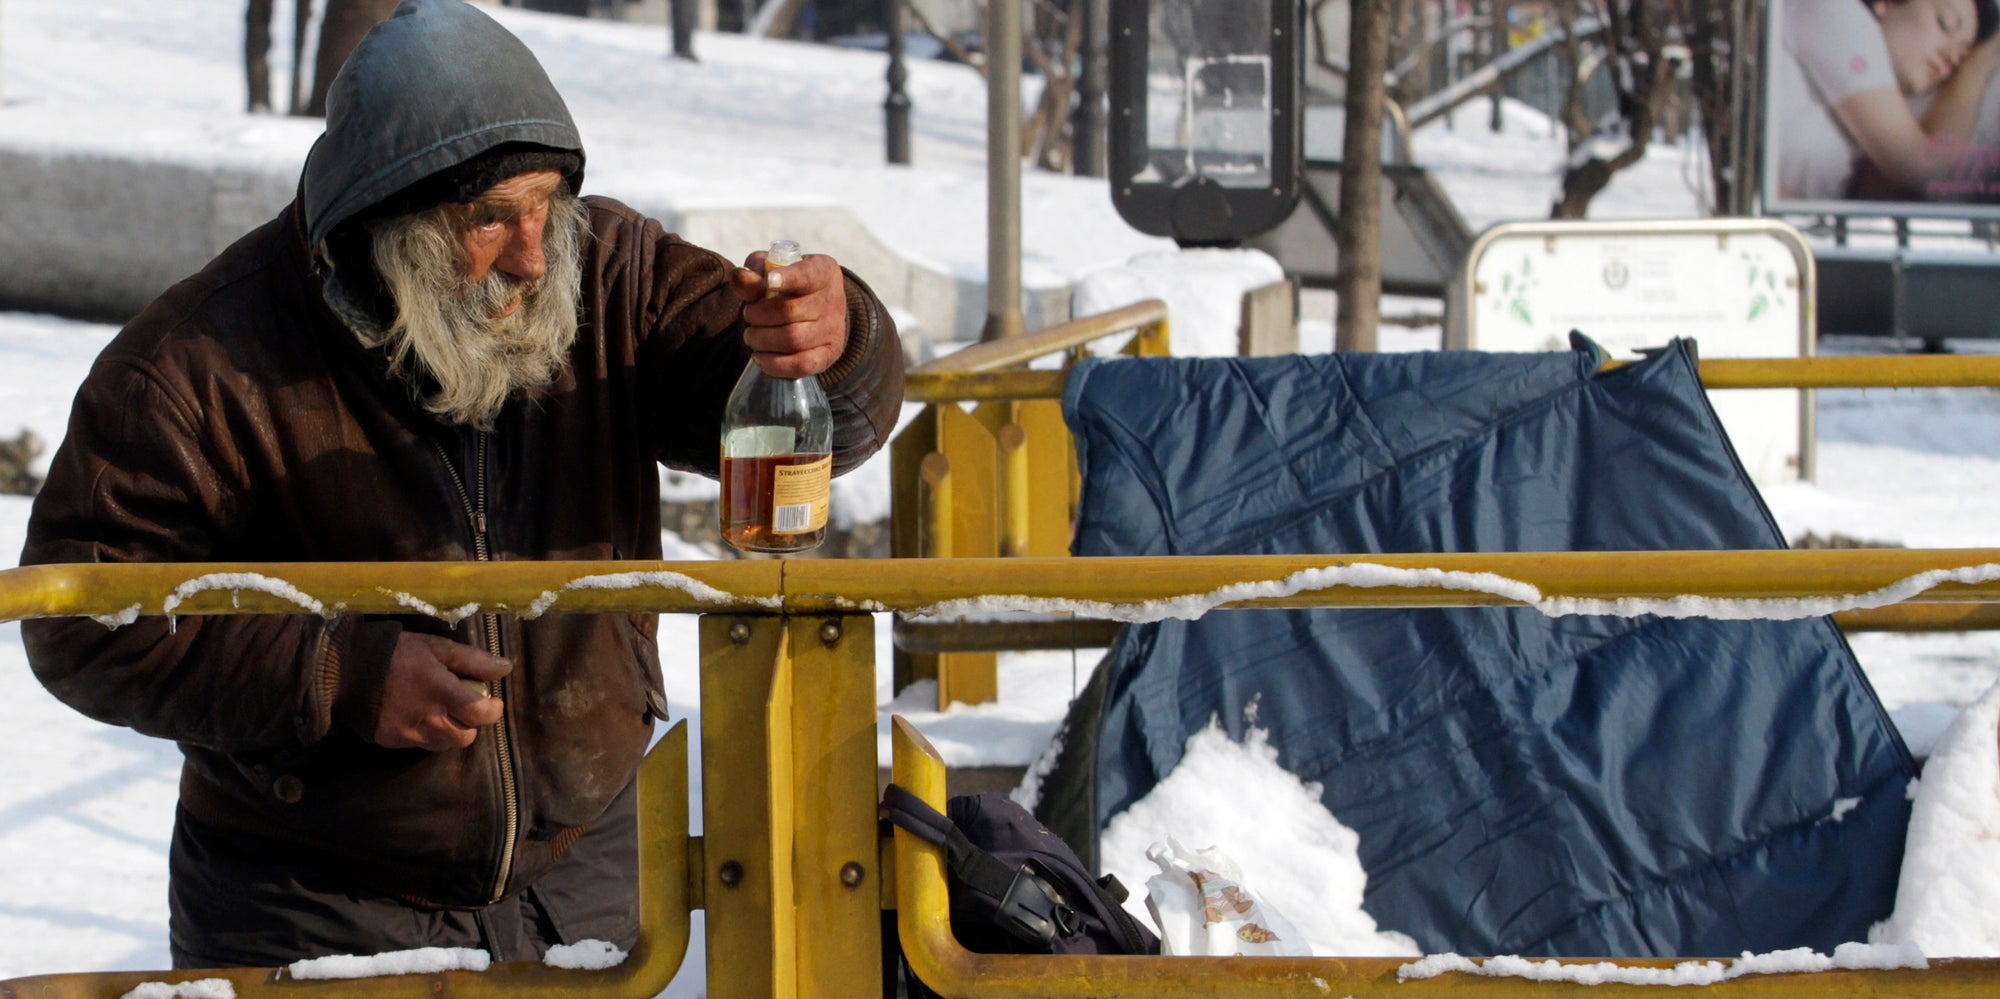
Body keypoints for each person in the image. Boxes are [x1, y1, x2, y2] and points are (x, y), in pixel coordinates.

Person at [18, 0, 903, 969]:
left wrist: (832, 339)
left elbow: (820, 415)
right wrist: (334, 675)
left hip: (583, 874)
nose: (531, 255)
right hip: (315, 902)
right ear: (379, 217)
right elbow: (84, 620)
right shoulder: (194, 365)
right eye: (487, 217)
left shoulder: (611, 272)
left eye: (546, 207)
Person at [1772, 0, 2000, 202]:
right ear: (1887, 3)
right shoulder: (1840, 13)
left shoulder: (1865, 112)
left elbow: (1909, 190)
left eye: (1961, 56)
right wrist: (1976, 69)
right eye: (1945, 24)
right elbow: (1924, 169)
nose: (1951, 56)